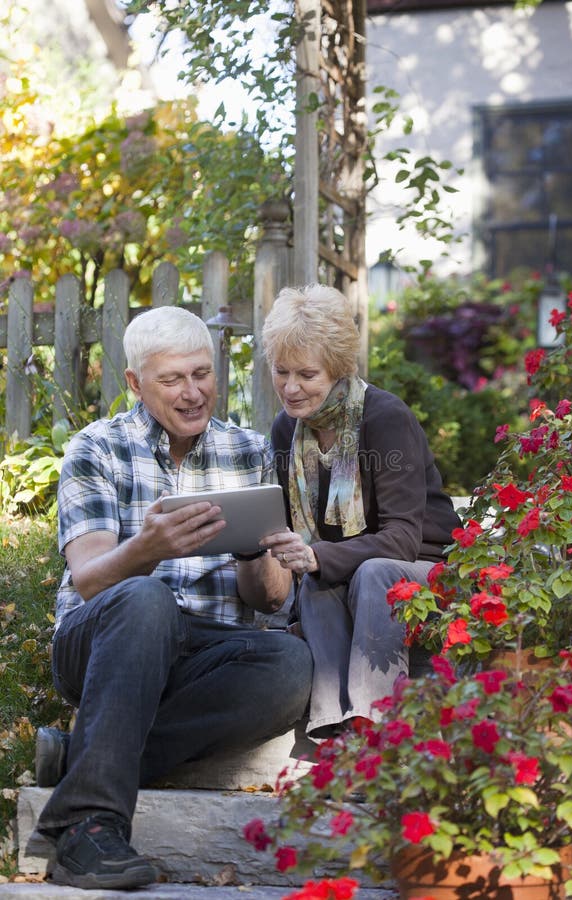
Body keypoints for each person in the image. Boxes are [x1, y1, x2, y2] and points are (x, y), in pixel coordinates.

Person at [33, 305, 313, 890]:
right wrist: (147, 550)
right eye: (173, 379)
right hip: (105, 642)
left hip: (203, 655)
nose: (193, 393)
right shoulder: (95, 448)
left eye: (202, 374)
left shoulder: (249, 450)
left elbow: (269, 600)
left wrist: (251, 552)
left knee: (289, 663)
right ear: (135, 384)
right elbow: (88, 579)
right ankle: (89, 828)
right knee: (146, 600)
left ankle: (77, 760)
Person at [259, 284, 461, 740]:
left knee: (368, 571)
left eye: (307, 374)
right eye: (281, 371)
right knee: (319, 578)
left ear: (337, 368)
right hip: (354, 577)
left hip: (426, 576)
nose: (291, 388)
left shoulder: (384, 417)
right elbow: (299, 536)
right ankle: (333, 732)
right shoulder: (285, 429)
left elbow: (403, 540)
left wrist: (317, 556)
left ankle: (379, 732)